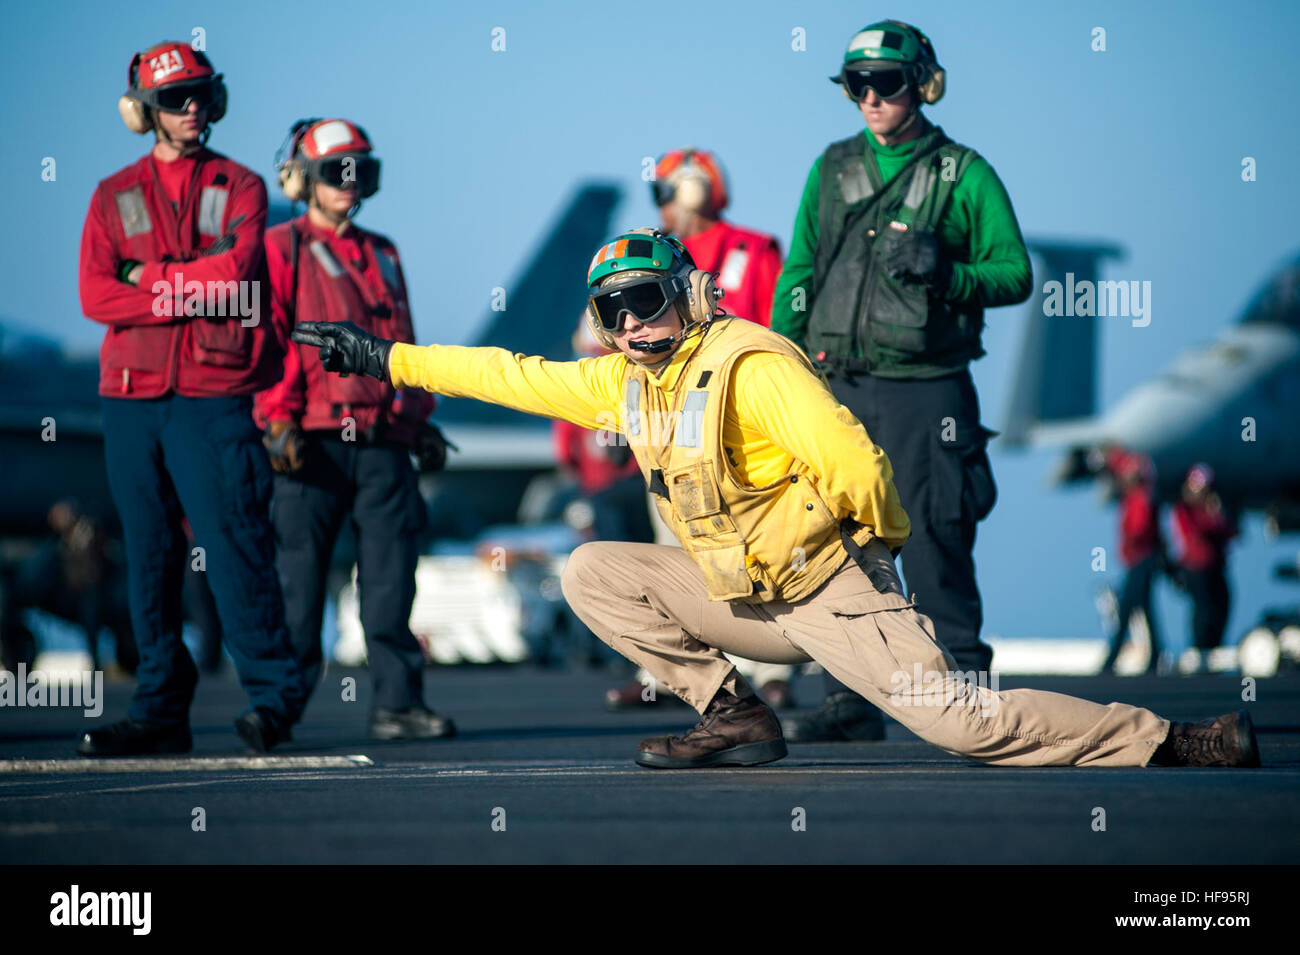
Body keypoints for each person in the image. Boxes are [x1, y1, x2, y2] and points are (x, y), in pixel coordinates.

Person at [292, 227, 1260, 770]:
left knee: (967, 725)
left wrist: (876, 555)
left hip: (830, 590)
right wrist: (386, 358)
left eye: (648, 297)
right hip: (742, 600)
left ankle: (1175, 737)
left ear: (688, 293)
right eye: (613, 308)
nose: (632, 319)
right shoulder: (626, 383)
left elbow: (853, 457)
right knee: (593, 569)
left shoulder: (747, 362)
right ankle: (732, 714)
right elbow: (507, 372)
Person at [771, 20, 1032, 742]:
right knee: (833, 542)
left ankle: (974, 699)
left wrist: (948, 272)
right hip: (835, 388)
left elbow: (1014, 274)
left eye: (886, 82)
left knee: (933, 540)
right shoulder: (830, 169)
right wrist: (777, 364)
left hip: (928, 390)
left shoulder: (965, 174)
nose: (870, 97)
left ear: (923, 83)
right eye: (857, 84)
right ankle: (849, 702)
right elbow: (800, 272)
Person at [76, 40, 306, 755]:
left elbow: (236, 276)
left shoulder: (240, 187)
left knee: (236, 548)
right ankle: (158, 712)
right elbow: (93, 295)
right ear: (143, 112)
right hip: (132, 399)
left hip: (213, 396)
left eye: (203, 95)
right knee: (148, 557)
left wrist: (146, 279)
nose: (193, 109)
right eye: (177, 99)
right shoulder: (112, 195)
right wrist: (185, 286)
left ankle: (273, 702)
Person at [254, 118, 455, 739]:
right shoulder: (278, 247)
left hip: (385, 443)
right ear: (300, 180)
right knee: (299, 586)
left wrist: (419, 419)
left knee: (392, 581)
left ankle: (397, 705)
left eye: (359, 172)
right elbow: (271, 339)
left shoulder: (383, 251)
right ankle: (278, 708)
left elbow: (404, 342)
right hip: (310, 440)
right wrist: (277, 419)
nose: (348, 184)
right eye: (334, 172)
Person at [653, 148, 783, 327]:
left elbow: (782, 330)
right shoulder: (662, 256)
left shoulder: (757, 250)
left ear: (690, 193)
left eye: (660, 194)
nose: (660, 209)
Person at [1099, 451, 1164, 674]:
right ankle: (1155, 656)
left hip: (1141, 560)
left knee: (1126, 609)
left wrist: (1133, 542)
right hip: (1139, 560)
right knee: (1145, 609)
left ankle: (1111, 660)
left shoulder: (1140, 498)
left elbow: (1140, 529)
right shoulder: (1137, 497)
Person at [1172, 464, 1238, 673]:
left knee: (1222, 605)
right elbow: (1194, 534)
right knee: (1203, 610)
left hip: (1216, 566)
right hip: (1195, 567)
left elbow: (1232, 532)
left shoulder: (1214, 507)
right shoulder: (1184, 509)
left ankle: (1213, 652)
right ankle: (1199, 653)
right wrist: (1213, 521)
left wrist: (1217, 515)